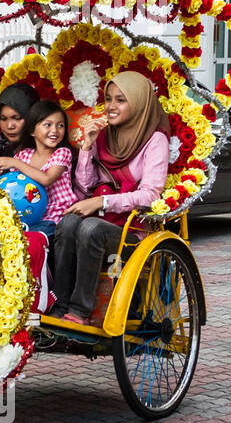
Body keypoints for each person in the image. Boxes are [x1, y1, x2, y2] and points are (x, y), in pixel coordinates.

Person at [48, 72, 170, 325]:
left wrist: (102, 202)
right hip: (100, 221)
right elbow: (84, 188)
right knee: (69, 222)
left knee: (91, 228)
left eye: (121, 100)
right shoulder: (105, 135)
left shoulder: (155, 140)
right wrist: (86, 147)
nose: (111, 107)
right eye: (108, 99)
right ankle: (59, 305)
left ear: (138, 103)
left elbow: (150, 194)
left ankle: (80, 311)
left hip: (132, 233)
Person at [0, 99, 78, 239]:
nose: (55, 130)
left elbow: (47, 179)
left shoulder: (62, 153)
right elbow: (14, 185)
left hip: (54, 218)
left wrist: (14, 162)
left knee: (28, 239)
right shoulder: (23, 155)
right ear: (32, 131)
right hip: (27, 218)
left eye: (60, 125)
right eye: (48, 125)